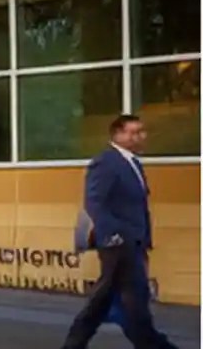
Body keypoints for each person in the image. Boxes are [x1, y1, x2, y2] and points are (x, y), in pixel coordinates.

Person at [61, 115, 177, 349]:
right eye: (133, 132)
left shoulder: (133, 163)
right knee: (127, 302)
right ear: (117, 135)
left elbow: (137, 207)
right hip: (119, 245)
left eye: (142, 132)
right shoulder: (106, 162)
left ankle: (74, 345)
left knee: (109, 302)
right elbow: (94, 202)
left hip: (133, 244)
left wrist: (144, 241)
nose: (140, 137)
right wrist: (115, 236)